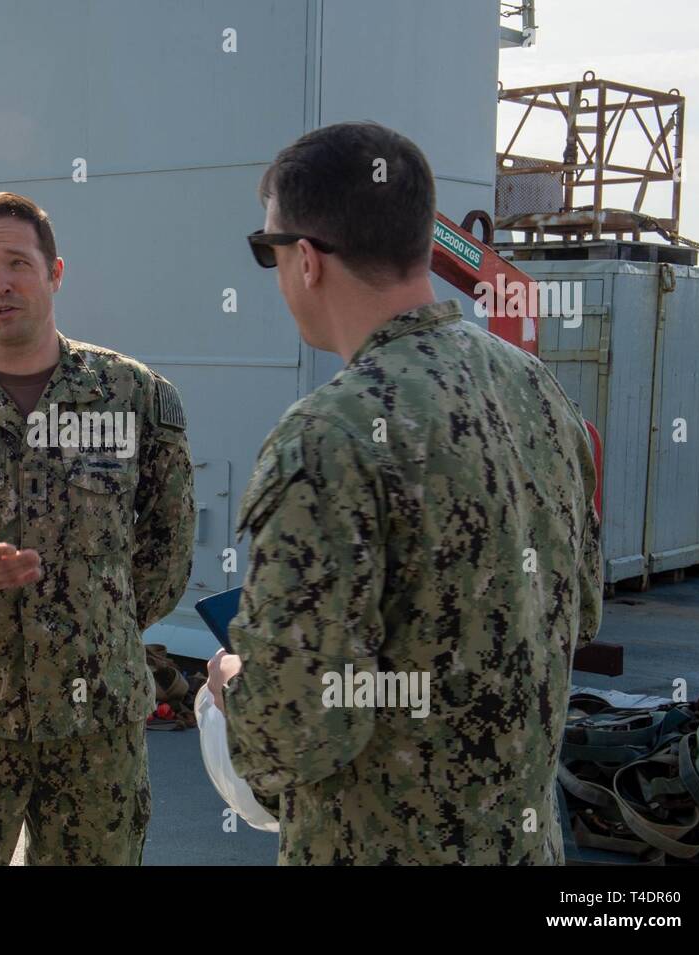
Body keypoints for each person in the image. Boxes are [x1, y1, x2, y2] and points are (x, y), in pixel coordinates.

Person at [207, 121, 602, 865]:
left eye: (271, 251)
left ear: (309, 261)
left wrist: (234, 682)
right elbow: (579, 612)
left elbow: (294, 733)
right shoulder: (539, 391)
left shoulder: (328, 432)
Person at [0, 191, 196, 864]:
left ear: (55, 272)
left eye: (17, 262)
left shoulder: (136, 399)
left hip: (96, 725)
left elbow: (168, 552)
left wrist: (97, 622)